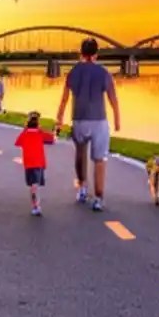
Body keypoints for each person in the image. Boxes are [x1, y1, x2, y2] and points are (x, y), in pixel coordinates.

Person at [56, 37, 121, 212]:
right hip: (99, 120)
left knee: (80, 154)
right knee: (99, 160)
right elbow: (112, 98)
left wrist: (59, 119)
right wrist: (117, 119)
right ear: (96, 54)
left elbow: (64, 99)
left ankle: (82, 188)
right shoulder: (104, 73)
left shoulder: (73, 72)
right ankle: (99, 198)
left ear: (81, 53)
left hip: (79, 119)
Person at [14, 112, 55, 216]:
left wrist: (25, 130)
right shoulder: (40, 133)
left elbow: (17, 143)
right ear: (38, 123)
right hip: (38, 163)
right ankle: (36, 205)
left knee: (33, 185)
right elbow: (52, 139)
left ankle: (34, 205)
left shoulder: (25, 134)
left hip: (28, 164)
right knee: (35, 185)